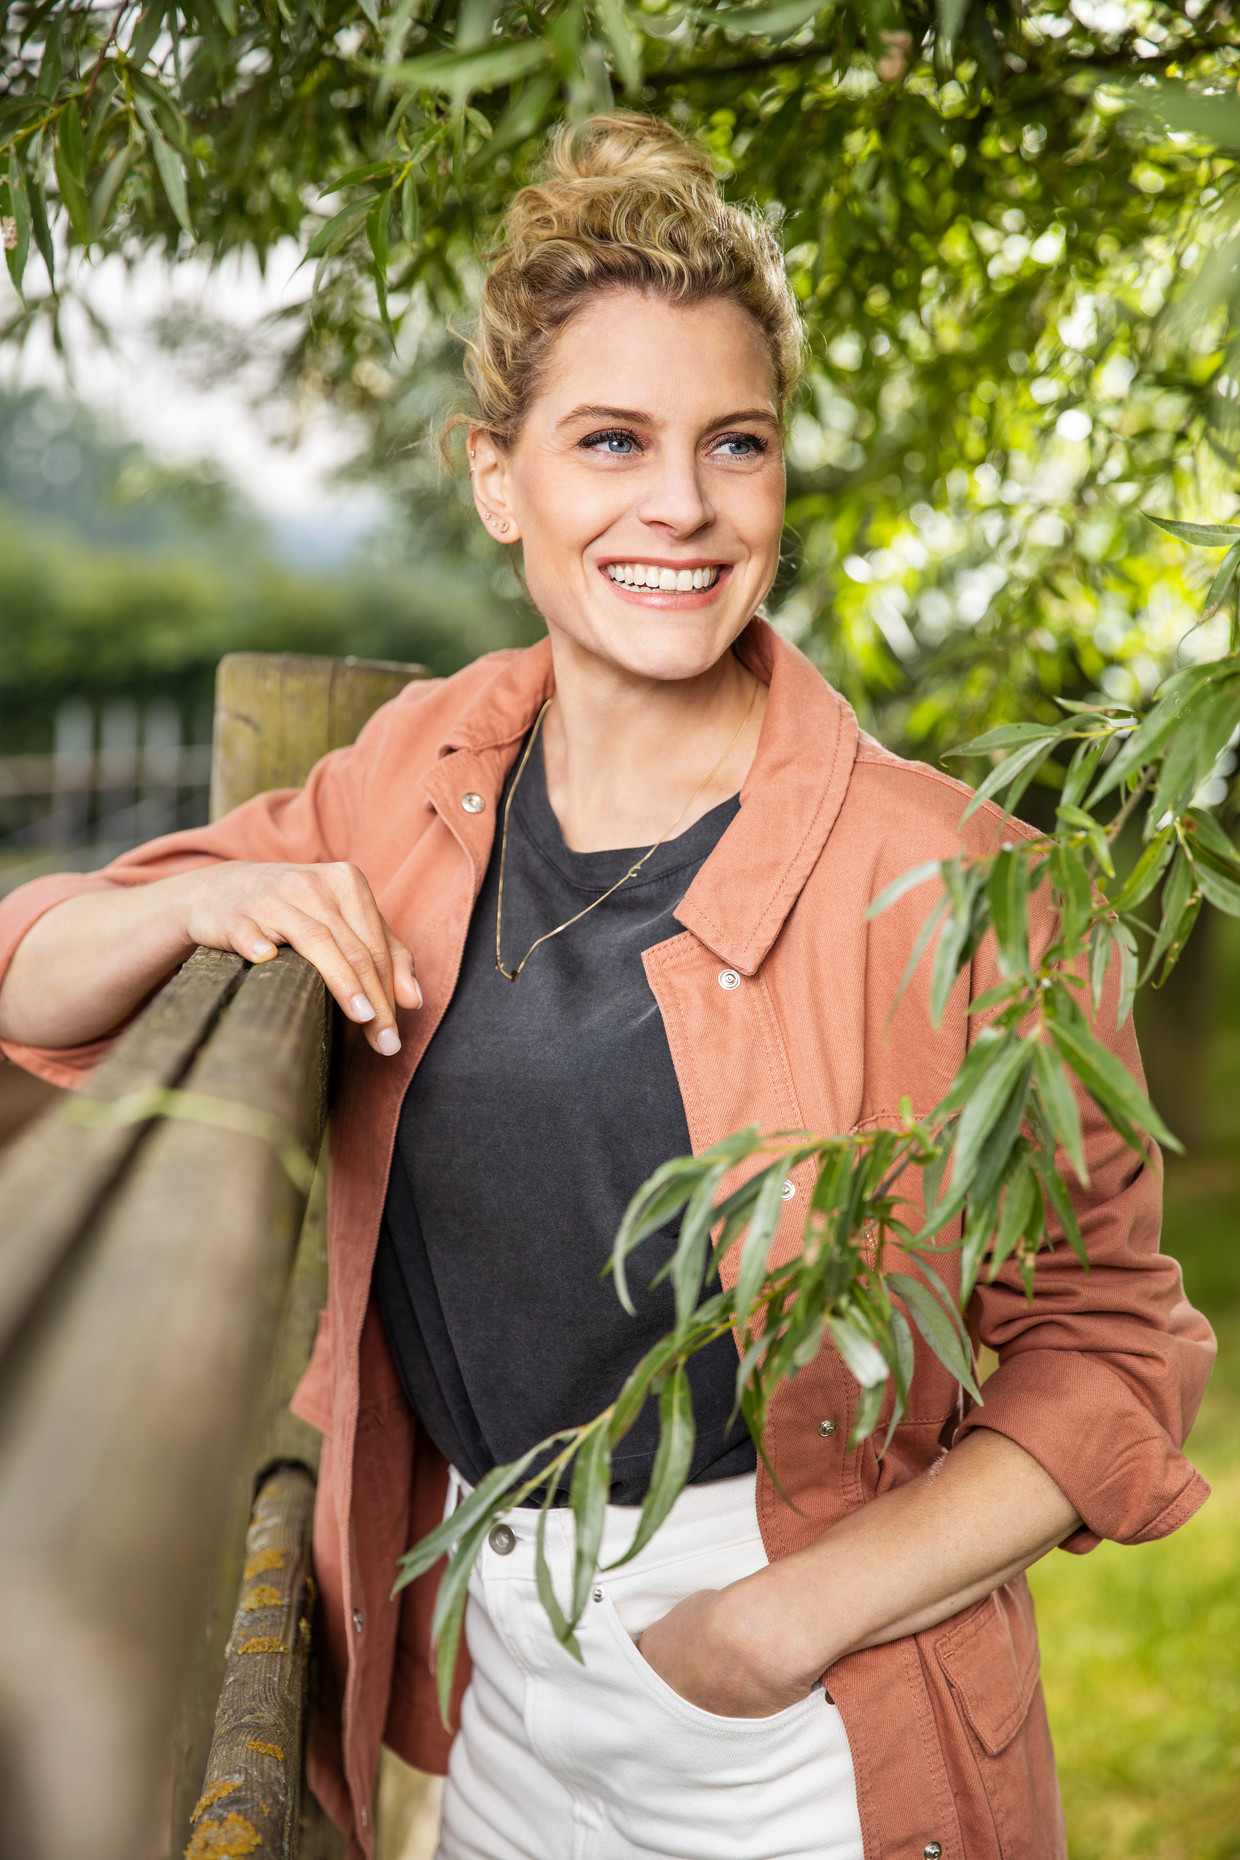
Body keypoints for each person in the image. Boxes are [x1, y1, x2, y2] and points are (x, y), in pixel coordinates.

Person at [0, 114, 1214, 1860]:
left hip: (818, 1729)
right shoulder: (412, 775)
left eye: (737, 444)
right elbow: (37, 971)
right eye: (611, 441)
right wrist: (229, 890)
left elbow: (1113, 1346)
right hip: (505, 1698)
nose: (682, 506)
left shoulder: (963, 890)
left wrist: (783, 1625)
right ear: (501, 478)